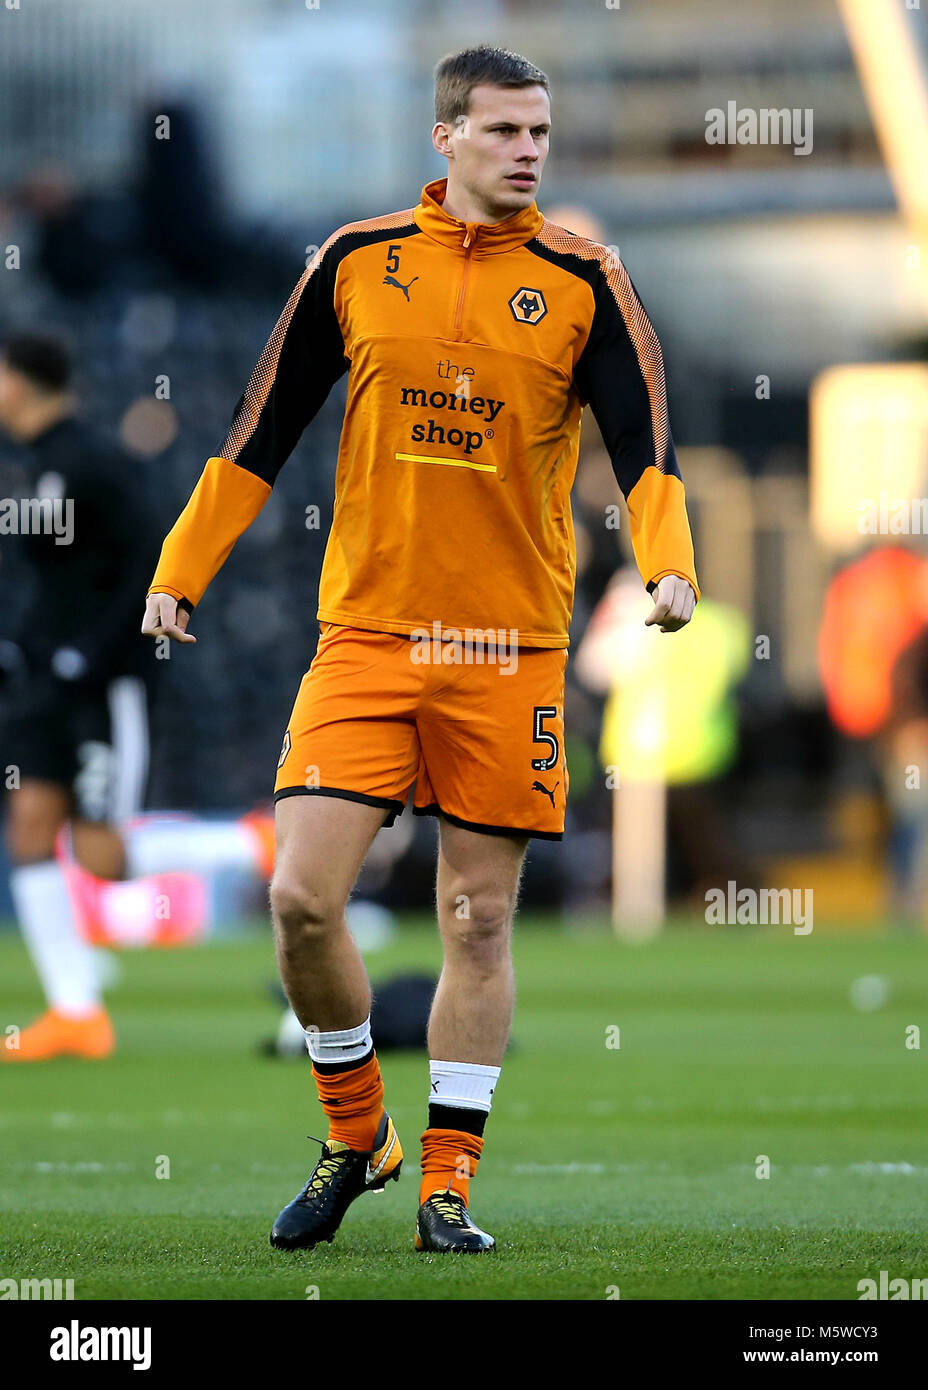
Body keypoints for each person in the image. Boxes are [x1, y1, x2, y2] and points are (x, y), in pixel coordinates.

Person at [142, 44, 699, 1255]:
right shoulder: (355, 262)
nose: (528, 148)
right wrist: (181, 571)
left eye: (539, 130)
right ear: (444, 137)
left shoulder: (586, 276)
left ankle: (447, 1184)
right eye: (502, 130)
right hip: (368, 638)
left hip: (510, 650)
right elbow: (259, 429)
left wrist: (670, 563)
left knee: (475, 917)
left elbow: (646, 445)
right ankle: (359, 1136)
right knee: (299, 900)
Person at [0, 334, 158, 1060]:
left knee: (101, 859)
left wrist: (93, 651)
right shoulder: (32, 467)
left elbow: (150, 563)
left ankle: (248, 846)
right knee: (29, 832)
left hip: (102, 685)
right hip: (43, 685)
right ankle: (76, 1013)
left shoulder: (95, 463)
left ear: (23, 382)